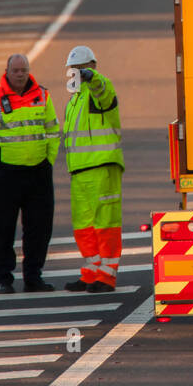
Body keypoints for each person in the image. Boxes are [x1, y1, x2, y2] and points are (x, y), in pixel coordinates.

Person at [0, 54, 59, 294]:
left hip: (38, 173)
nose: (20, 74)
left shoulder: (42, 96)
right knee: (3, 229)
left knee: (39, 229)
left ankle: (33, 277)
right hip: (5, 176)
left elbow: (53, 132)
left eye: (24, 70)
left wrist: (48, 162)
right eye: (16, 70)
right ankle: (3, 279)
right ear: (7, 72)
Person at [62, 45, 124, 293]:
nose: (77, 73)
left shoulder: (100, 90)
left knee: (105, 223)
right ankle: (91, 273)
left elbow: (103, 90)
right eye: (74, 69)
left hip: (102, 166)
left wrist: (92, 78)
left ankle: (107, 276)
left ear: (93, 67)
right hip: (79, 171)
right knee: (83, 225)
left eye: (83, 68)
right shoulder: (73, 100)